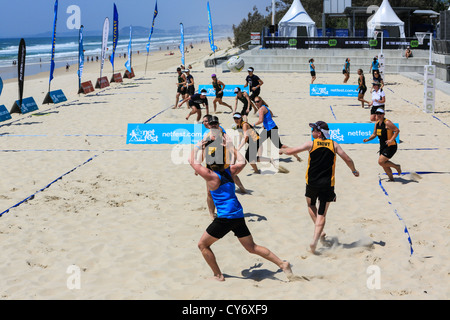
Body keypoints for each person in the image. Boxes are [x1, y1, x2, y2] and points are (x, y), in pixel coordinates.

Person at [189, 130, 295, 282]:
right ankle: (282, 264)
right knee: (252, 247)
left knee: (202, 245)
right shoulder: (230, 171)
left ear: (211, 163)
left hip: (225, 218)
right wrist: (231, 147)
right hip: (238, 214)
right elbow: (242, 161)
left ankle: (218, 275)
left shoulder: (210, 176)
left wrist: (200, 144)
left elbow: (191, 161)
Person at [280, 121, 359, 254]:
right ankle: (315, 239)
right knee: (322, 214)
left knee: (310, 205)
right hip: (328, 184)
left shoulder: (311, 143)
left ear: (319, 133)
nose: (312, 133)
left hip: (312, 183)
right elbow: (348, 159)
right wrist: (354, 171)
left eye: (313, 130)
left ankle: (319, 232)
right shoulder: (334, 144)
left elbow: (290, 151)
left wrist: (281, 150)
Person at [252, 97, 302, 162]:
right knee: (258, 141)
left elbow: (260, 120)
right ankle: (259, 157)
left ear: (261, 101)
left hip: (271, 129)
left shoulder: (261, 109)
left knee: (279, 146)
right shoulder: (264, 107)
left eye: (258, 101)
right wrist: (265, 124)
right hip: (268, 129)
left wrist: (254, 124)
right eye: (255, 102)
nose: (256, 103)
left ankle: (294, 153)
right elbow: (271, 115)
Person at [363, 108, 401, 181]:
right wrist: (368, 139)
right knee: (384, 166)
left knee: (381, 162)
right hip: (383, 146)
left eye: (380, 113)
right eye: (377, 113)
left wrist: (391, 140)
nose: (378, 115)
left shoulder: (387, 122)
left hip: (391, 146)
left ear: (384, 114)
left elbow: (397, 130)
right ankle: (392, 179)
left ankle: (397, 166)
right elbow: (374, 134)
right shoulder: (377, 123)